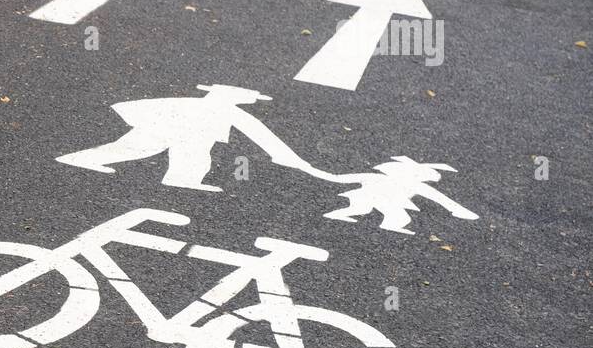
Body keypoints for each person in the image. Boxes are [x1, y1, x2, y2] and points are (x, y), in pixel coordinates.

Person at [56, 84, 323, 190]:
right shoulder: (226, 110)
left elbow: (261, 135)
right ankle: (182, 179)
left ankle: (81, 158)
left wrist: (289, 158)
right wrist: (293, 160)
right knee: (176, 152)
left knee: (136, 147)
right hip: (178, 130)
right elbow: (262, 136)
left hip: (167, 126)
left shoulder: (198, 103)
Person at [322, 156, 478, 234]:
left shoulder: (379, 177)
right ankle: (388, 226)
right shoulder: (415, 184)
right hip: (379, 198)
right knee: (400, 217)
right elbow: (440, 199)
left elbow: (339, 178)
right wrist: (459, 211)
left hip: (368, 196)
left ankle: (335, 214)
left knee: (362, 209)